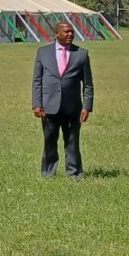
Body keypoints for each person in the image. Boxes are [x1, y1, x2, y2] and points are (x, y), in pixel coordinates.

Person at [31, 21, 94, 180]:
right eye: (66, 32)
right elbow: (37, 81)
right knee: (49, 141)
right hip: (49, 107)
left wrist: (87, 106)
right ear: (56, 33)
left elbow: (88, 84)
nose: (70, 35)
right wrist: (37, 104)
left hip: (73, 108)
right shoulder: (43, 53)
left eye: (72, 32)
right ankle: (48, 173)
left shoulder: (82, 54)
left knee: (72, 142)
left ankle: (75, 174)